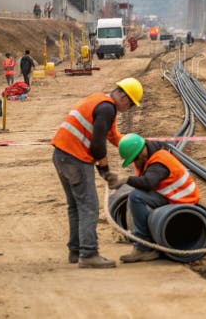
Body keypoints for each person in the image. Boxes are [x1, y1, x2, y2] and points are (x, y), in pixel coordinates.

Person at [50, 77, 143, 269]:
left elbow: (113, 137)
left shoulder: (100, 101)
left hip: (61, 155)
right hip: (75, 159)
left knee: (75, 206)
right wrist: (106, 171)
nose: (130, 109)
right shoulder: (107, 109)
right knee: (89, 206)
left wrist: (138, 147)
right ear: (124, 98)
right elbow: (98, 146)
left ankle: (75, 251)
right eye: (131, 105)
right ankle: (89, 253)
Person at [105, 133, 199, 263]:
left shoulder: (159, 162)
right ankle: (143, 240)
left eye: (135, 159)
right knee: (136, 194)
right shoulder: (146, 157)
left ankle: (144, 248)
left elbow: (148, 183)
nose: (135, 163)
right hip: (170, 195)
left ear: (142, 151)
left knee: (136, 197)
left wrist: (126, 179)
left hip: (182, 199)